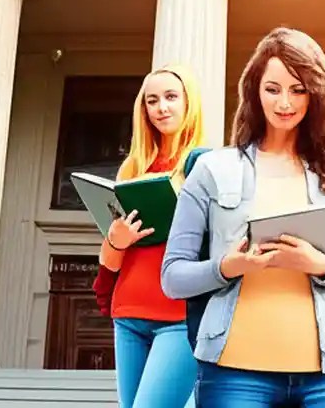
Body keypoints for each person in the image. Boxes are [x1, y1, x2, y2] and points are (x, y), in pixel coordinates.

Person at [161, 27, 325, 408]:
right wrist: (229, 266)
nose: (285, 102)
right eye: (272, 88)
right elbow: (172, 277)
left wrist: (320, 265)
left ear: (316, 94)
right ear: (254, 92)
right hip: (233, 374)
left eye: (298, 89)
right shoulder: (212, 169)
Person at [93, 66, 205, 408]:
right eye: (152, 100)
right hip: (127, 313)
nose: (161, 107)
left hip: (176, 316)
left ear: (189, 104)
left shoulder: (204, 163)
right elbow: (110, 260)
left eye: (171, 97)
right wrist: (117, 239)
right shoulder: (131, 169)